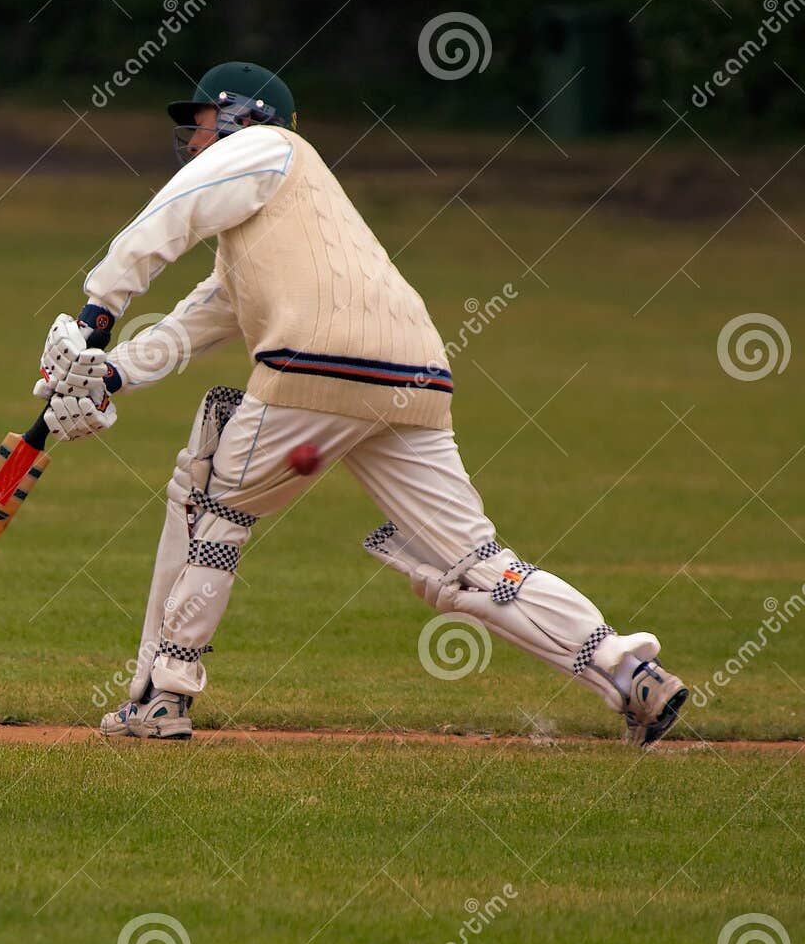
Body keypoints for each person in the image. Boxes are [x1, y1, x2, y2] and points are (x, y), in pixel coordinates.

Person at [35, 62, 687, 746]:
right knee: (474, 558)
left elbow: (173, 212)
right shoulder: (273, 232)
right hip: (414, 374)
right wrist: (107, 377)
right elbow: (192, 325)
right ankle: (628, 671)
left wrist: (97, 313)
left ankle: (165, 693)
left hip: (315, 365)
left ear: (237, 118)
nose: (192, 140)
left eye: (199, 121)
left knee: (213, 507)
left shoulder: (269, 149)